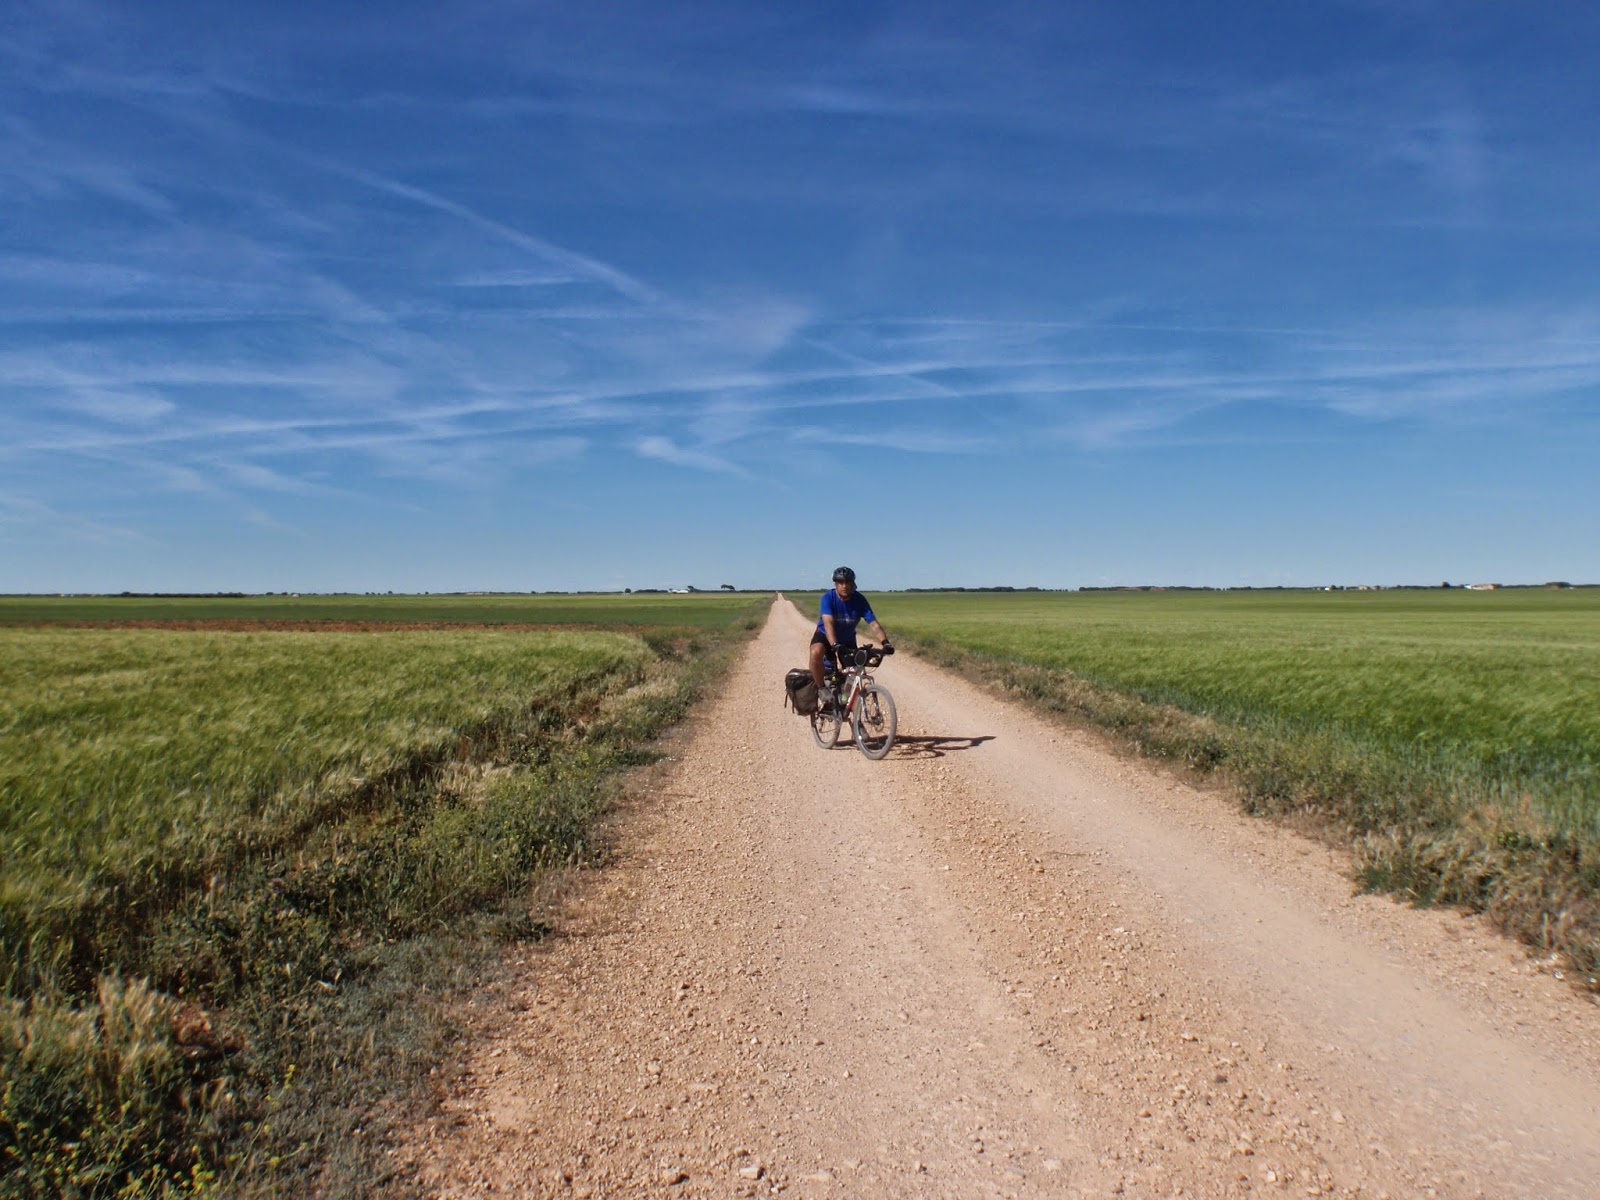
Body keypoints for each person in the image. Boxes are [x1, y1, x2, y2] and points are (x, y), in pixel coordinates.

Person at [811, 565, 893, 700]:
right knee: (815, 652)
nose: (844, 586)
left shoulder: (859, 600)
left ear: (853, 584)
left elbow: (873, 623)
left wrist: (886, 643)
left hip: (847, 639)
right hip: (826, 636)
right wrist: (834, 644)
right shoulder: (828, 598)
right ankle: (821, 688)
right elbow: (828, 623)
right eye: (840, 582)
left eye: (848, 582)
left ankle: (846, 703)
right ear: (835, 584)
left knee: (852, 674)